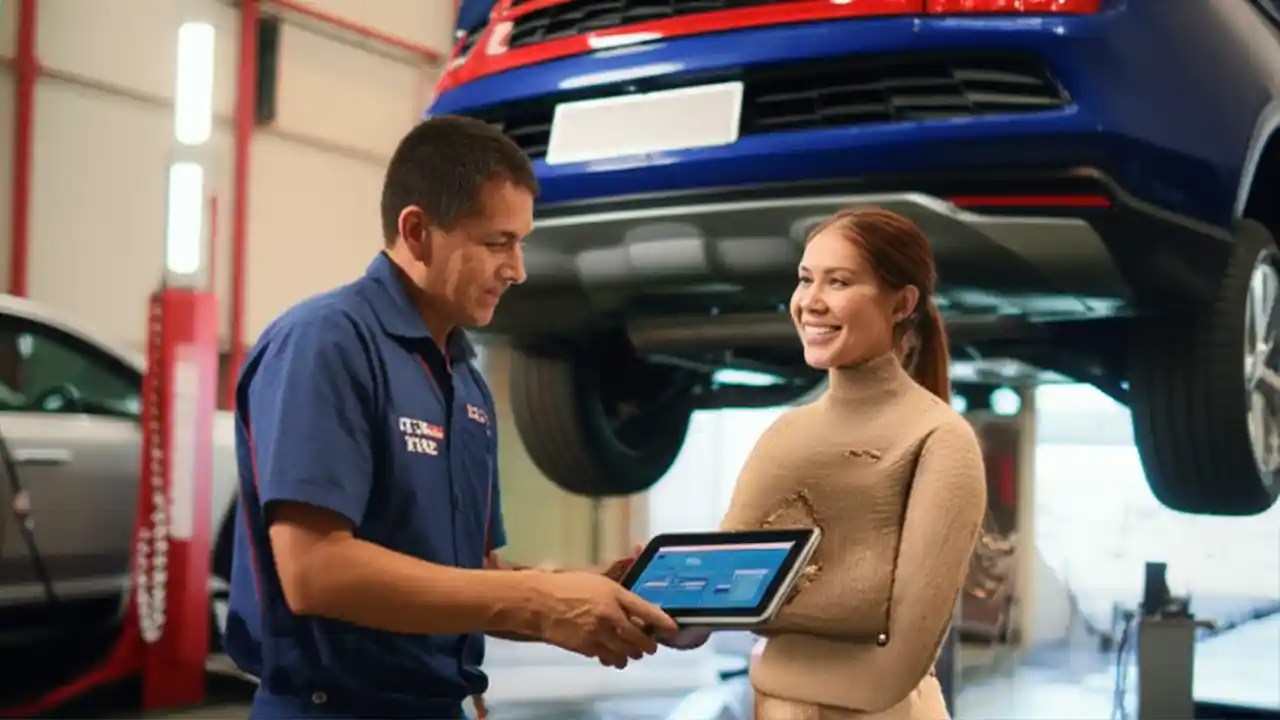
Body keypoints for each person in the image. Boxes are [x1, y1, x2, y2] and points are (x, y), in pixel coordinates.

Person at [223, 115, 678, 720]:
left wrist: (588, 583)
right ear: (417, 231)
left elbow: (473, 576)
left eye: (521, 243)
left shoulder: (464, 379)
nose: (518, 269)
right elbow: (317, 570)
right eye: (497, 243)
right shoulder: (325, 344)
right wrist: (537, 599)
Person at [716, 207, 989, 719]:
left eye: (838, 282)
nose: (810, 303)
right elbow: (724, 597)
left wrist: (768, 663)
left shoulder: (938, 439)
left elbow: (890, 673)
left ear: (902, 303)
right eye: (804, 280)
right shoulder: (784, 435)